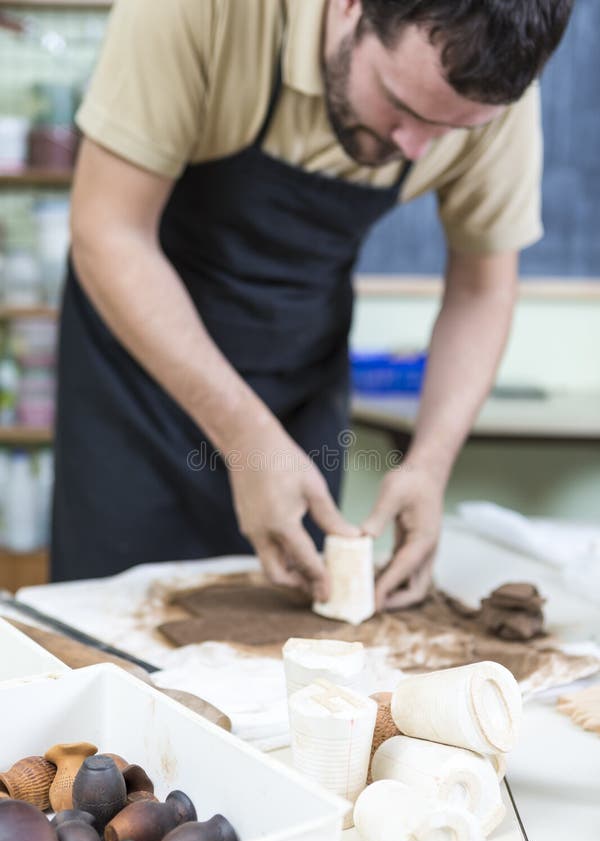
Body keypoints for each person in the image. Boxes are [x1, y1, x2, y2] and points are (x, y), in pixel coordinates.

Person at [52, 0, 573, 607]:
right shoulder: (197, 12)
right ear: (350, 8)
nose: (415, 147)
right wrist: (247, 438)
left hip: (300, 374)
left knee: (286, 643)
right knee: (119, 632)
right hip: (139, 385)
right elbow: (108, 231)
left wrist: (429, 466)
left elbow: (482, 287)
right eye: (400, 106)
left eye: (454, 130)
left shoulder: (497, 90)